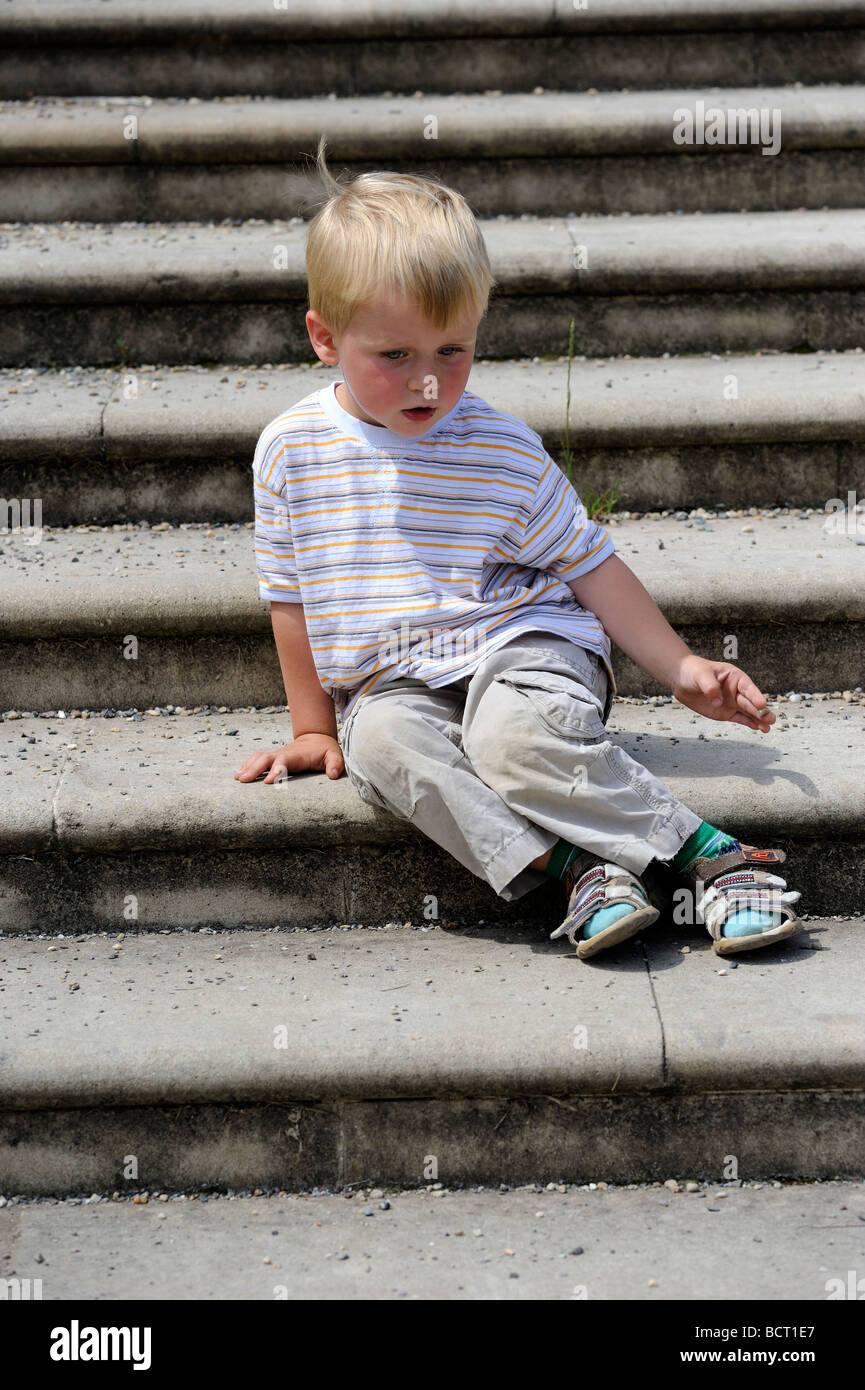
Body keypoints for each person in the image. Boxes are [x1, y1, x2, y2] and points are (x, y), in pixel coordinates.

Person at [235, 137, 802, 961]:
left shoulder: (496, 448)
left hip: (520, 646)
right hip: (393, 678)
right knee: (383, 745)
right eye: (394, 356)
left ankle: (712, 860)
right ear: (325, 338)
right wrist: (312, 725)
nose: (427, 381)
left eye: (451, 351)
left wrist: (679, 668)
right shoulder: (291, 451)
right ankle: (578, 873)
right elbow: (288, 596)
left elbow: (587, 563)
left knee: (509, 737)